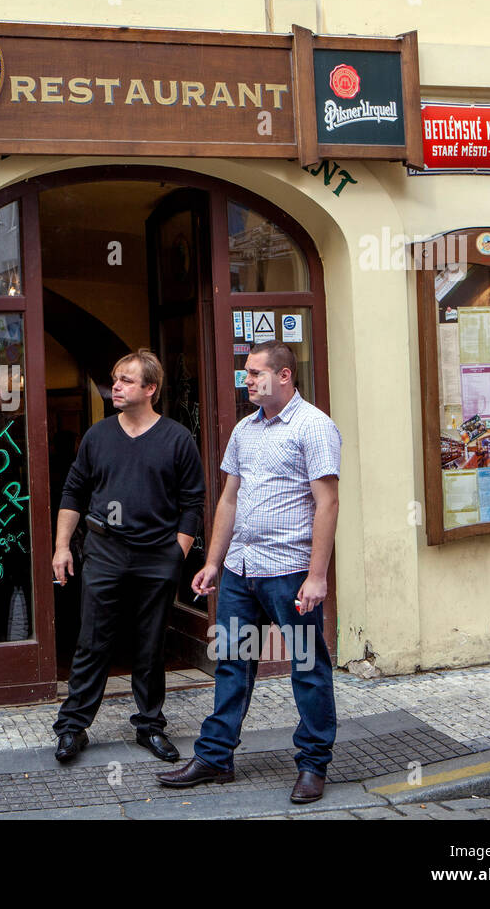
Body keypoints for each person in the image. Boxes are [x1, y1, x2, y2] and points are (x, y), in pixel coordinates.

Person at [156, 341, 341, 804]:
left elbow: (328, 503)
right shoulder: (244, 429)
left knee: (306, 667)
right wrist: (213, 561)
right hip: (241, 570)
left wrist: (317, 577)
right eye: (246, 372)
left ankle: (313, 764)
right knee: (232, 663)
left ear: (284, 376)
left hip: (289, 572)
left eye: (256, 372)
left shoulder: (314, 426)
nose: (247, 379)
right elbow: (229, 500)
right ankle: (216, 757)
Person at [51, 350, 205, 764]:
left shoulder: (176, 438)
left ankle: (150, 726)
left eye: (126, 381)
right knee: (92, 642)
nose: (115, 386)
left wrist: (178, 552)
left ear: (150, 389)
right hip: (104, 551)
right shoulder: (98, 436)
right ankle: (72, 728)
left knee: (150, 644)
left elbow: (192, 501)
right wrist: (62, 546)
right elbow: (73, 492)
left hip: (157, 555)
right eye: (114, 379)